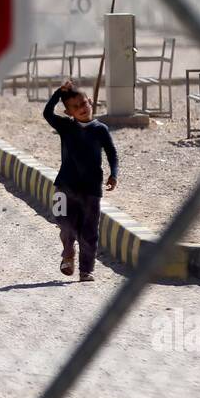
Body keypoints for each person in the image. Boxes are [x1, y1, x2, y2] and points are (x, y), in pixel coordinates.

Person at [43, 79, 118, 282]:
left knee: (89, 233)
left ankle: (86, 270)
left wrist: (114, 174)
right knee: (62, 221)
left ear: (91, 102)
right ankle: (68, 252)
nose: (81, 109)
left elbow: (112, 153)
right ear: (69, 112)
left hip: (91, 190)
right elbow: (47, 113)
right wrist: (59, 93)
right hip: (64, 186)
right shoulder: (65, 127)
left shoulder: (100, 129)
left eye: (84, 104)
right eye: (75, 107)